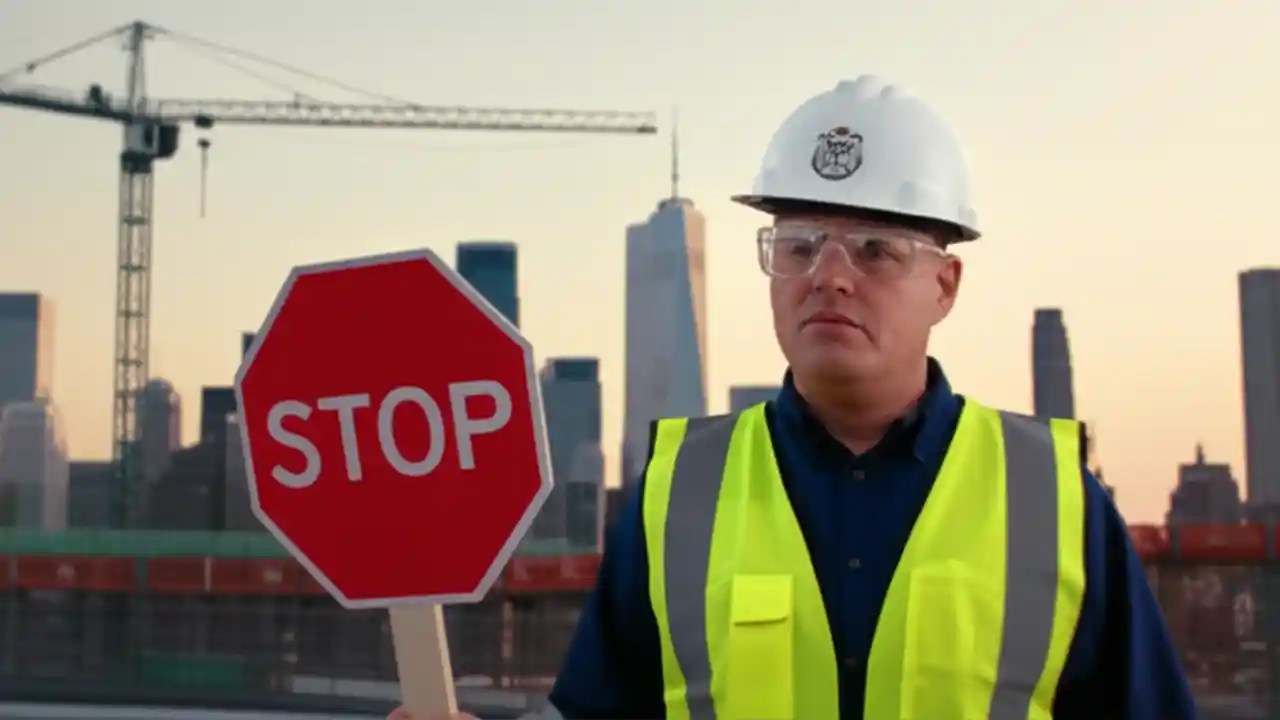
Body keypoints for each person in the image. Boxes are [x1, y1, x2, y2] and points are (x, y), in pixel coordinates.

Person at [390, 75, 1196, 719]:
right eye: (799, 246)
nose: (829, 276)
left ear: (945, 285)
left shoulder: (1053, 500)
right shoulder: (674, 496)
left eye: (876, 250)